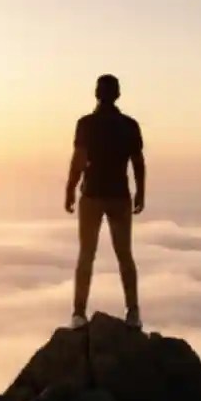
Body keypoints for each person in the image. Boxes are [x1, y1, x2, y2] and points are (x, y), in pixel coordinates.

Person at [65, 74, 145, 330]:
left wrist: (69, 189)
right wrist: (140, 191)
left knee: (86, 255)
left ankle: (78, 314)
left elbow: (79, 160)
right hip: (119, 196)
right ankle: (132, 313)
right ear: (118, 94)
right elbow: (138, 162)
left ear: (96, 94)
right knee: (125, 256)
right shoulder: (129, 125)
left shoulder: (86, 124)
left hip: (91, 196)